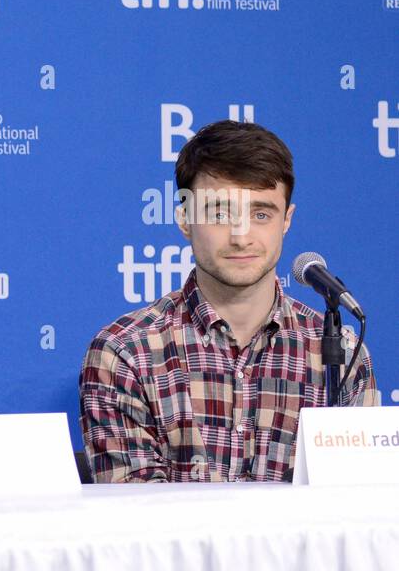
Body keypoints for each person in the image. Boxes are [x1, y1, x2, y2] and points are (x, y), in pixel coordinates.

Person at [80, 120, 379, 483]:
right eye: (219, 213)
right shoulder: (126, 352)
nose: (241, 236)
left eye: (261, 214)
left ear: (287, 220)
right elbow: (135, 526)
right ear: (185, 219)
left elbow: (358, 509)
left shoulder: (340, 352)